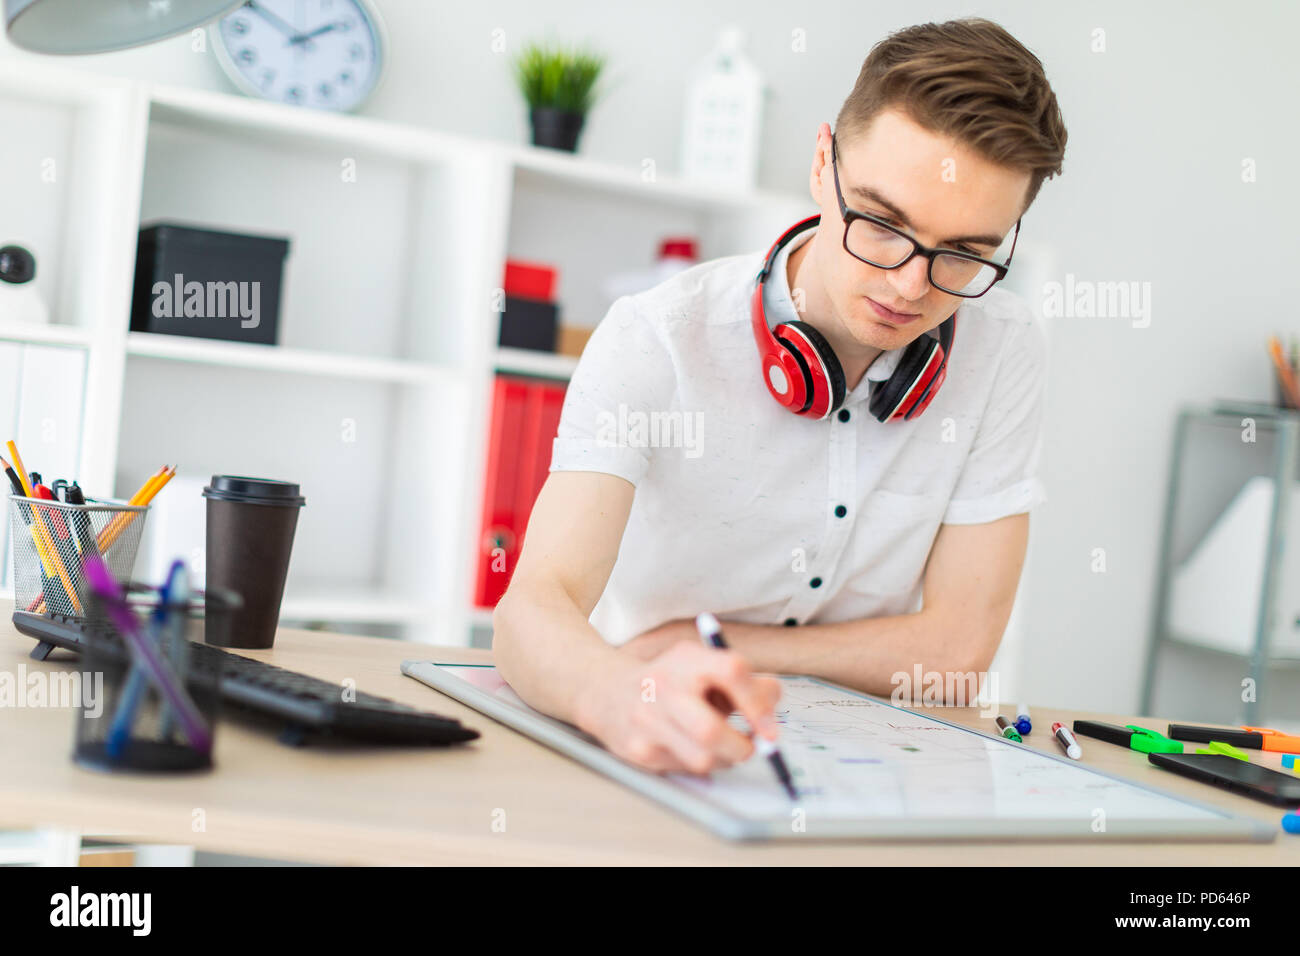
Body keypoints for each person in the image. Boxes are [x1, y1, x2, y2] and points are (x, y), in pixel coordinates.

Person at [493, 17, 1068, 775]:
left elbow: (958, 655)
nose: (909, 284)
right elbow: (533, 607)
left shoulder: (1006, 345)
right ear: (822, 163)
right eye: (882, 223)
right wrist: (623, 690)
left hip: (872, 762)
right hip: (651, 728)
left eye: (964, 254)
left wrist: (715, 643)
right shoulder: (657, 336)